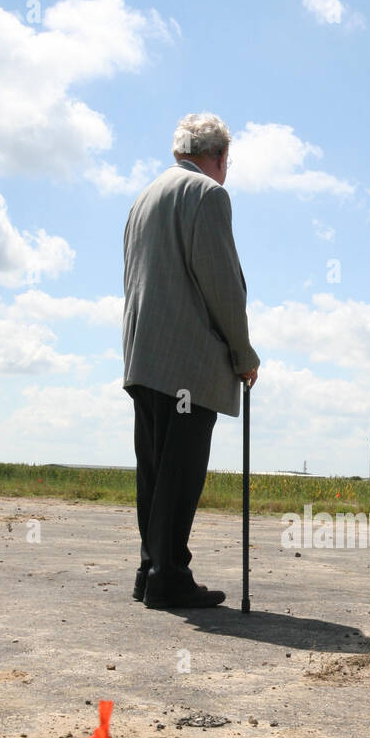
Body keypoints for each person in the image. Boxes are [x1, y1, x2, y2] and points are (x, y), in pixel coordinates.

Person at [122, 112, 260, 609]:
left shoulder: (143, 198)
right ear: (219, 156)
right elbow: (221, 284)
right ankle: (170, 577)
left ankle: (151, 570)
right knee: (179, 476)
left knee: (154, 473)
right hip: (187, 364)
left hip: (143, 358)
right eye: (228, 161)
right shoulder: (207, 195)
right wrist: (243, 354)